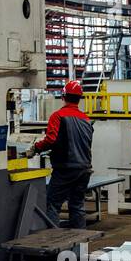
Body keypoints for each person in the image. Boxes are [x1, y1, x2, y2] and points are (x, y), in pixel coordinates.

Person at [35, 80, 95, 229]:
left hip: (66, 169)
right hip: (84, 169)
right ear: (79, 99)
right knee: (77, 205)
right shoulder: (86, 119)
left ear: (63, 96)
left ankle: (54, 244)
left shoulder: (58, 116)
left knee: (52, 204)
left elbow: (50, 139)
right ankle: (80, 244)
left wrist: (36, 148)